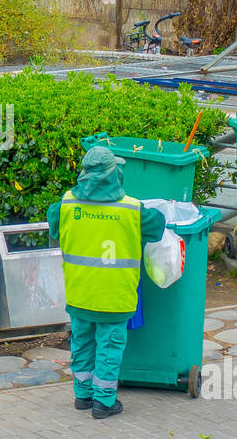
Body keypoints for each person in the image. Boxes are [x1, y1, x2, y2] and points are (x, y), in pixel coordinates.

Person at [46, 147, 165, 420]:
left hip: (80, 293)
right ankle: (104, 402)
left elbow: (54, 228)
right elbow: (157, 227)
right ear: (115, 174)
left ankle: (83, 395)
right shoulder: (132, 209)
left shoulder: (65, 204)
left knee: (82, 344)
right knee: (109, 348)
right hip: (114, 296)